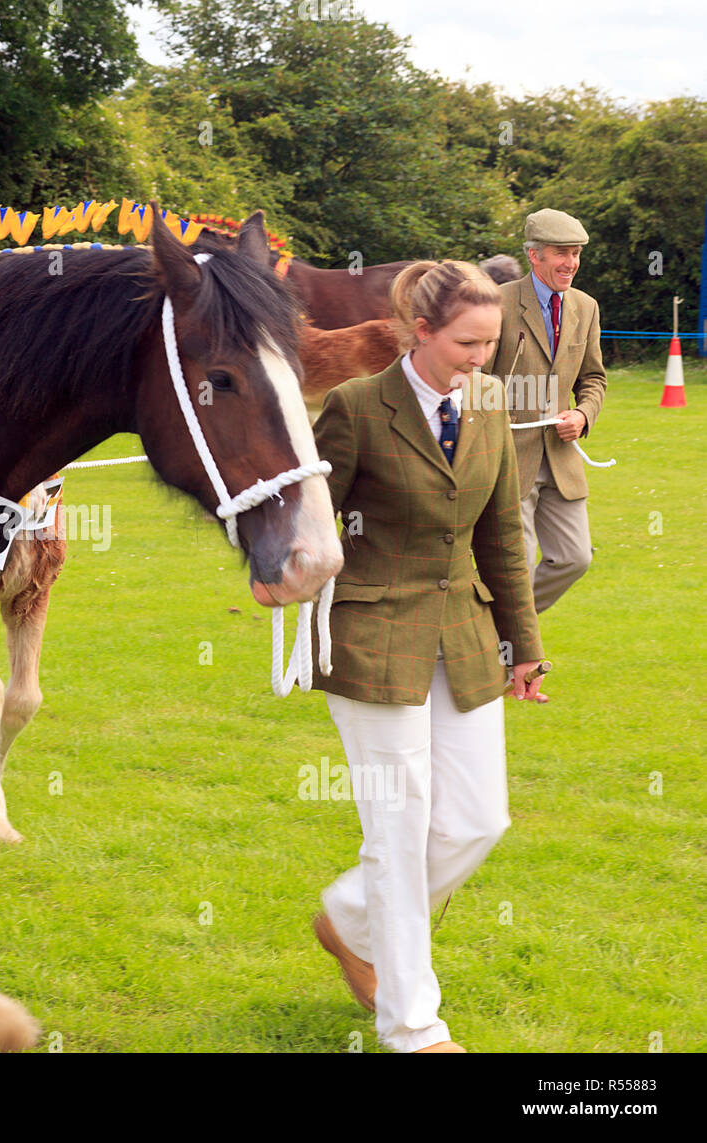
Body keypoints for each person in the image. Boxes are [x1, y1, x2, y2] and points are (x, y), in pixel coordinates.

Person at [309, 260, 546, 1053]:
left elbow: (502, 535)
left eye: (493, 343)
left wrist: (524, 645)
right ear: (420, 331)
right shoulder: (353, 409)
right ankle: (412, 1025)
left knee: (479, 820)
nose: (484, 359)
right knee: (399, 832)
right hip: (373, 640)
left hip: (469, 636)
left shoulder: (488, 405)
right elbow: (307, 521)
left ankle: (347, 918)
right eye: (469, 343)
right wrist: (282, 575)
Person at [488, 208, 607, 615]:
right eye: (561, 252)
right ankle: (509, 661)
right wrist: (489, 417)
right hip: (505, 459)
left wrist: (584, 415)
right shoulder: (497, 303)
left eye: (575, 253)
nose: (571, 263)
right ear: (534, 255)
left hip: (561, 460)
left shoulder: (587, 307)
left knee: (575, 559)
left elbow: (593, 379)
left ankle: (493, 629)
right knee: (513, 570)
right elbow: (472, 378)